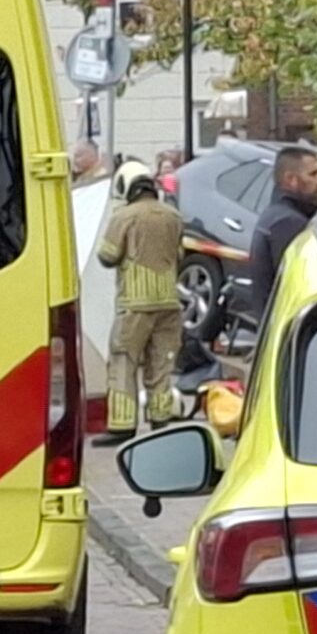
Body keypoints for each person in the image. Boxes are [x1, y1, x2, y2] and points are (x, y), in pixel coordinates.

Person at [94, 161, 185, 441]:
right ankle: (160, 421)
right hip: (169, 302)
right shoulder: (173, 216)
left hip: (135, 304)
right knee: (161, 365)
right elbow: (180, 255)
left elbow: (107, 256)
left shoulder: (124, 216)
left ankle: (122, 425)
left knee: (124, 361)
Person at [243, 142, 317, 330]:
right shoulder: (289, 223)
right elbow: (299, 286)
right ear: (291, 179)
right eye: (313, 174)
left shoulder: (277, 216)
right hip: (289, 331)